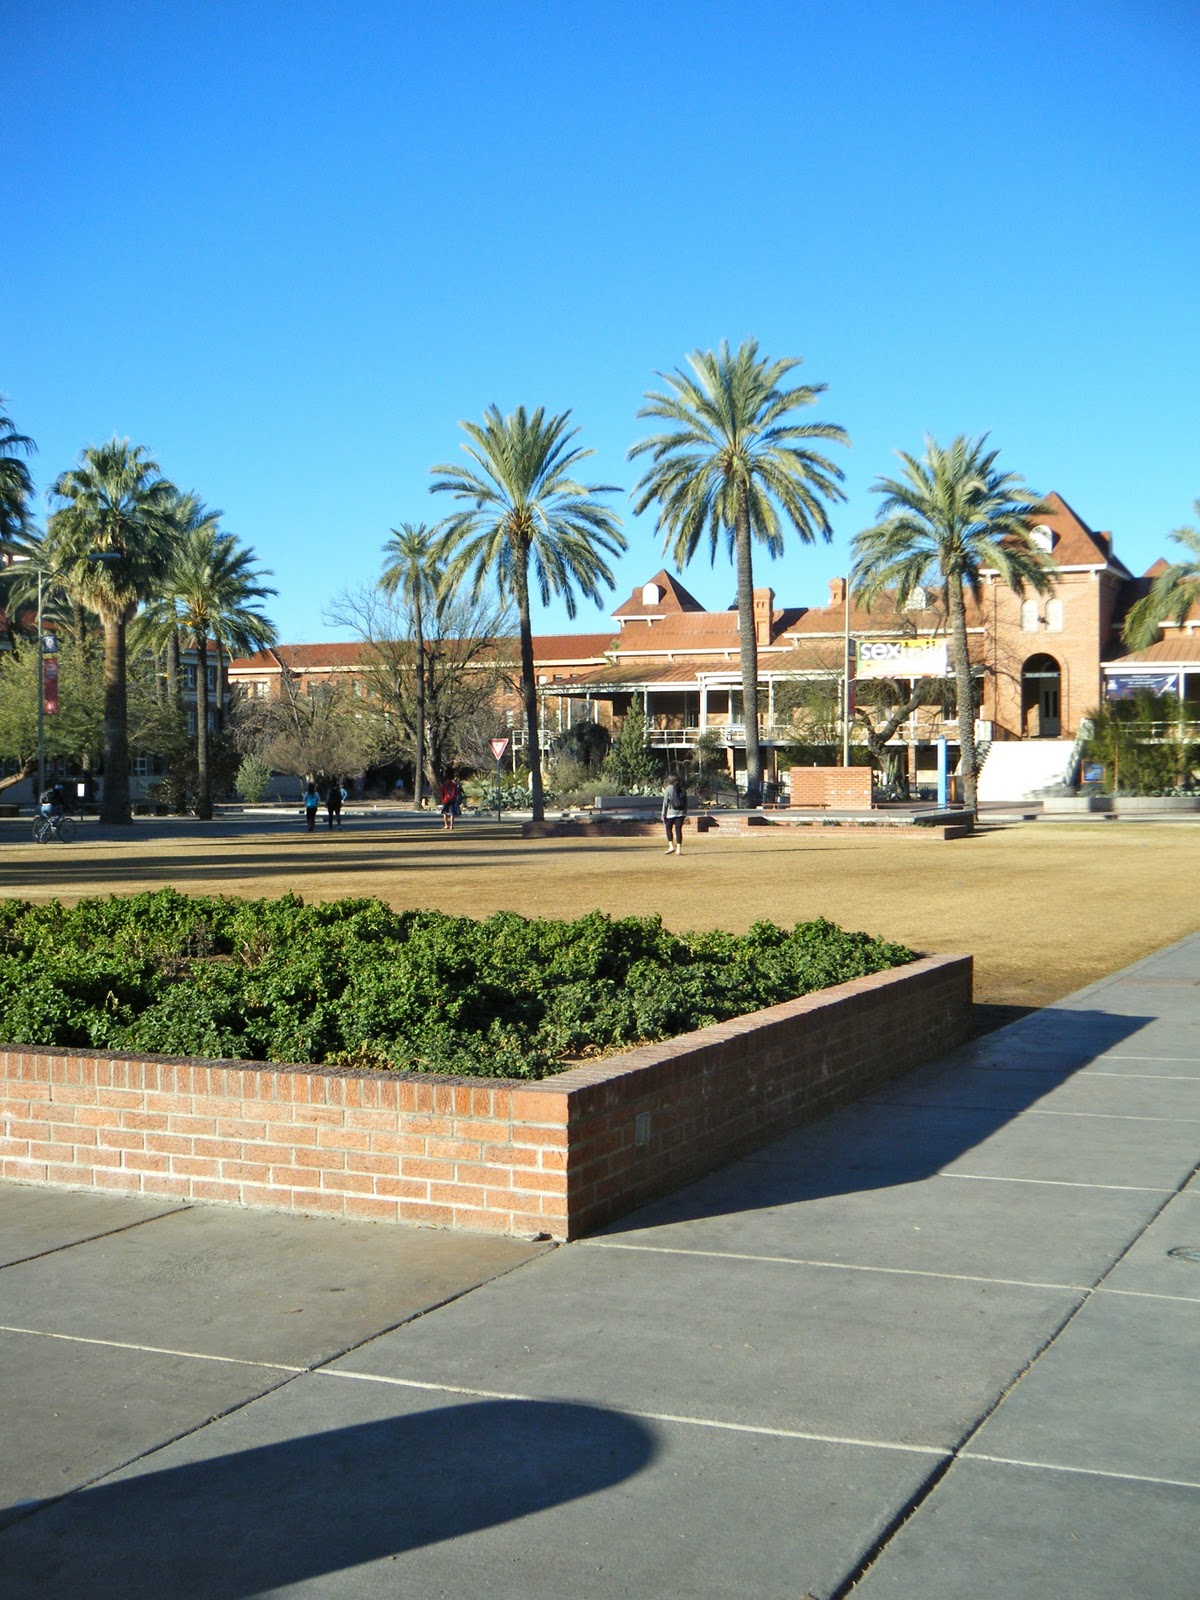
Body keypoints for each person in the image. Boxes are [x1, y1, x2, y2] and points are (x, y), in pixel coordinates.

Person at [661, 772, 688, 855]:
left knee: (668, 829)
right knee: (678, 830)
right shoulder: (682, 788)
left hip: (671, 813)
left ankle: (671, 846)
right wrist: (685, 812)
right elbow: (686, 801)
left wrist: (663, 814)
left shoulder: (668, 788)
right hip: (681, 813)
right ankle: (679, 849)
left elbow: (665, 802)